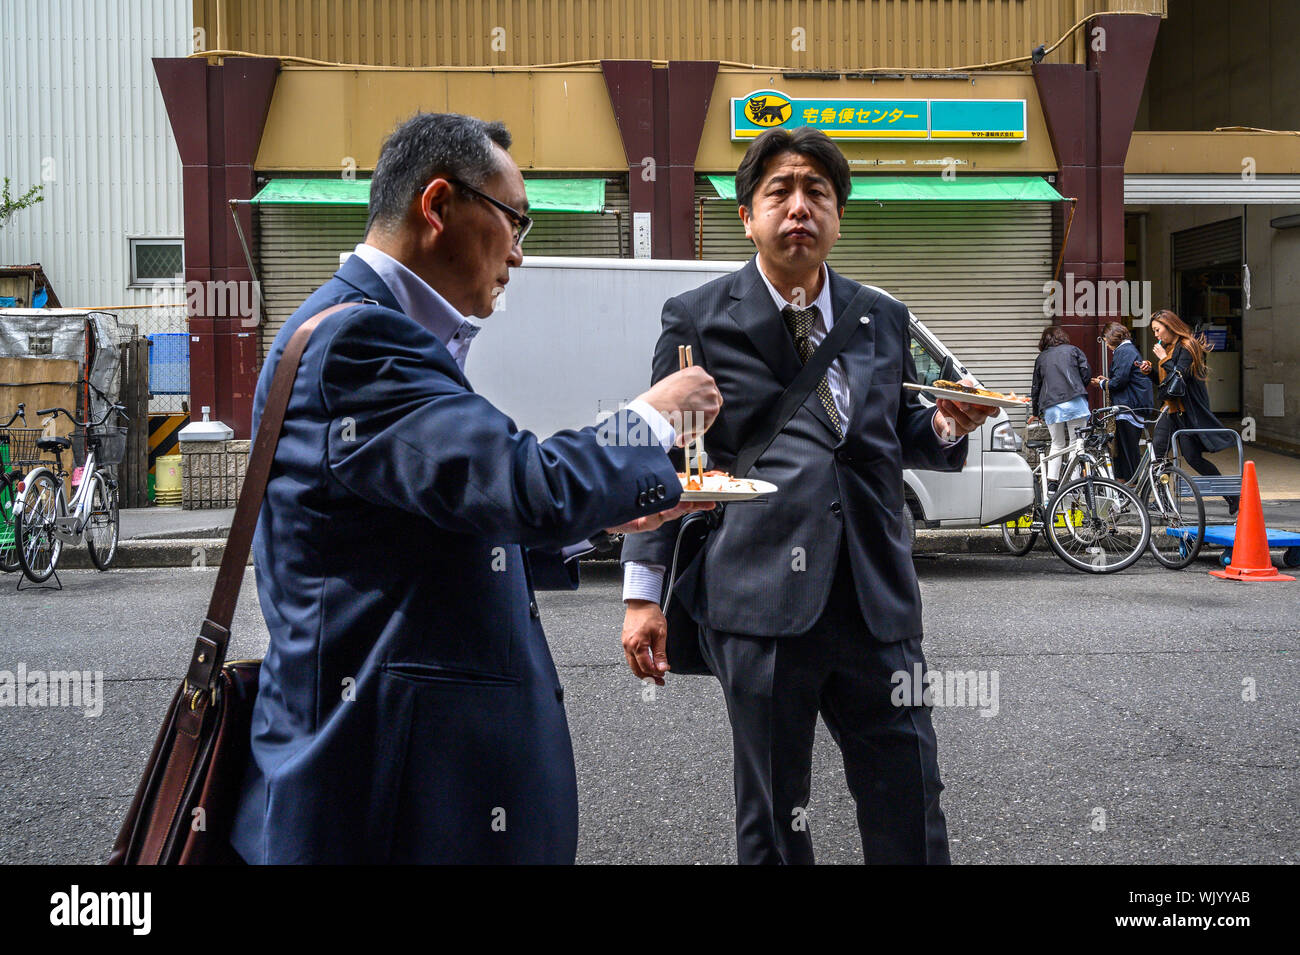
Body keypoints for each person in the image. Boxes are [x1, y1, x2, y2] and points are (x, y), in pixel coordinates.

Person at [228, 112, 723, 864]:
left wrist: (604, 526)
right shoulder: (360, 340)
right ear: (438, 207)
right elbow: (524, 482)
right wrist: (651, 417)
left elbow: (438, 525)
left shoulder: (371, 328)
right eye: (515, 221)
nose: (519, 254)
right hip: (383, 798)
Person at [618, 126, 993, 865]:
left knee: (911, 797)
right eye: (779, 192)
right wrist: (641, 592)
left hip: (876, 597)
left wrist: (949, 419)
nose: (799, 207)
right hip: (758, 600)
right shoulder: (696, 316)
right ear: (747, 216)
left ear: (838, 215)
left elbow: (894, 430)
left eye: (817, 192)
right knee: (773, 811)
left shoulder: (879, 313)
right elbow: (663, 453)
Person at [1145, 308, 1239, 514]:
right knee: (1158, 453)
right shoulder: (1169, 348)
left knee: (1192, 458)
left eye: (1157, 329)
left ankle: (1233, 497)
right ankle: (1162, 500)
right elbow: (1167, 384)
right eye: (1153, 331)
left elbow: (1180, 378)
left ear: (1170, 327)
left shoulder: (1187, 346)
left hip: (1184, 411)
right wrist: (1150, 372)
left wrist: (1163, 359)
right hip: (1170, 410)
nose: (1156, 335)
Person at [1028, 325, 1091, 486]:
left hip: (1052, 406)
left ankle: (1052, 482)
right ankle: (1074, 483)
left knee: (1057, 444)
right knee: (1076, 443)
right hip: (1076, 402)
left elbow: (1036, 386)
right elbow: (1086, 373)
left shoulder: (1041, 358)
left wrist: (1035, 411)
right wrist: (1078, 386)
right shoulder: (1074, 351)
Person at [1091, 321, 1153, 482]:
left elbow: (1119, 382)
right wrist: (1108, 381)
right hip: (1133, 404)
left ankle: (1131, 482)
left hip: (1129, 407)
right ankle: (1126, 481)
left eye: (1105, 340)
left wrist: (1102, 384)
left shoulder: (1124, 351)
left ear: (1111, 337)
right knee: (1126, 447)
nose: (1106, 345)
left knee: (1127, 448)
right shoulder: (1128, 350)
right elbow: (1124, 377)